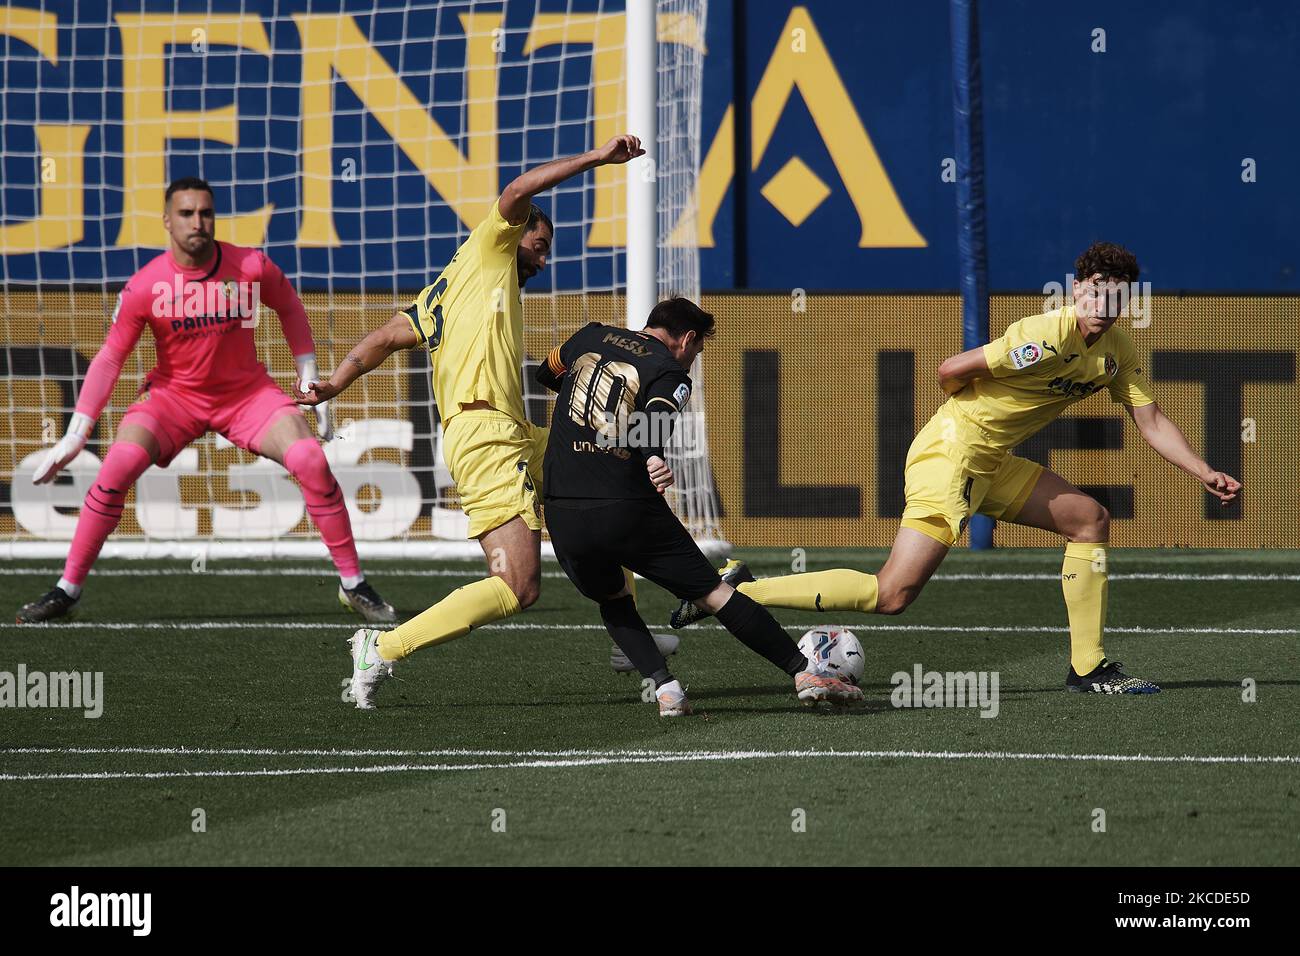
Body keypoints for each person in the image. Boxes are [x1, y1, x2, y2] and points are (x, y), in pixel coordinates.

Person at [670, 242, 1241, 695]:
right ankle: (742, 589)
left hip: (991, 464)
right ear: (1077, 290)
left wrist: (1201, 470)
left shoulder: (1117, 350)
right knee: (892, 594)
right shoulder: (1043, 336)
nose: (1102, 304)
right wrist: (967, 410)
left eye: (1114, 295)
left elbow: (1151, 419)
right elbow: (949, 370)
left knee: (1089, 519)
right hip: (952, 456)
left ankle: (1088, 667)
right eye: (1094, 292)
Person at [297, 135, 646, 709]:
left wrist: (336, 381)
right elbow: (515, 190)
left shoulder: (448, 288)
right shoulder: (491, 244)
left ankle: (627, 639)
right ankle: (381, 649)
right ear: (519, 230)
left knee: (613, 473)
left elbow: (386, 336)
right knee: (518, 586)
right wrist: (594, 160)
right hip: (483, 436)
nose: (543, 256)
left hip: (513, 430)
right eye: (540, 242)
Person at [18, 177, 393, 624]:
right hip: (173, 399)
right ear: (166, 221)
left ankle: (353, 584)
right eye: (186, 213)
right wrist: (76, 433)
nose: (198, 222)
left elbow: (289, 305)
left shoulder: (250, 265)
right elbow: (110, 357)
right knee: (116, 466)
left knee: (311, 460)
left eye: (205, 213)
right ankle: (67, 590)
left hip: (246, 395)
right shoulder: (145, 285)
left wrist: (310, 375)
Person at [538, 298, 863, 716]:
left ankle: (666, 689)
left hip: (563, 509)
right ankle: (804, 672)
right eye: (697, 350)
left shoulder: (590, 334)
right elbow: (655, 416)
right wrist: (652, 454)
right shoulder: (669, 370)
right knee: (713, 593)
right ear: (687, 339)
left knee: (614, 598)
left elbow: (546, 373)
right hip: (624, 505)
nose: (694, 360)